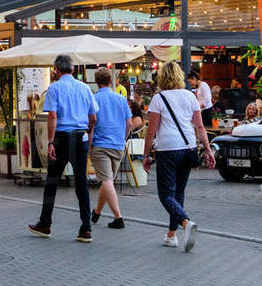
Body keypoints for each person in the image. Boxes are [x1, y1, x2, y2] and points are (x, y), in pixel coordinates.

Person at [143, 61, 214, 252]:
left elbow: (151, 130)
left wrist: (145, 154)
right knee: (178, 192)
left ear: (162, 77)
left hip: (167, 149)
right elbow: (200, 127)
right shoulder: (190, 96)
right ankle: (171, 235)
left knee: (166, 195)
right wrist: (208, 150)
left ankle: (185, 223)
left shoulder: (158, 99)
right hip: (188, 147)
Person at [28, 55, 98, 243]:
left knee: (52, 181)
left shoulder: (54, 88)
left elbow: (52, 116)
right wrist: (87, 131)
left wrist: (50, 142)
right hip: (80, 138)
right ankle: (86, 228)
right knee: (81, 183)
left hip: (61, 138)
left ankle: (45, 223)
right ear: (72, 69)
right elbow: (93, 118)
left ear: (56, 70)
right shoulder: (85, 88)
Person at [90, 67, 141, 229]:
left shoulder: (94, 99)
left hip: (100, 145)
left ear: (96, 82)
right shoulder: (121, 99)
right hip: (118, 146)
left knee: (106, 180)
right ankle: (97, 212)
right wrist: (123, 140)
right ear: (110, 81)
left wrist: (89, 145)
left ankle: (118, 217)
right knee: (108, 181)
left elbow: (91, 124)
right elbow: (129, 124)